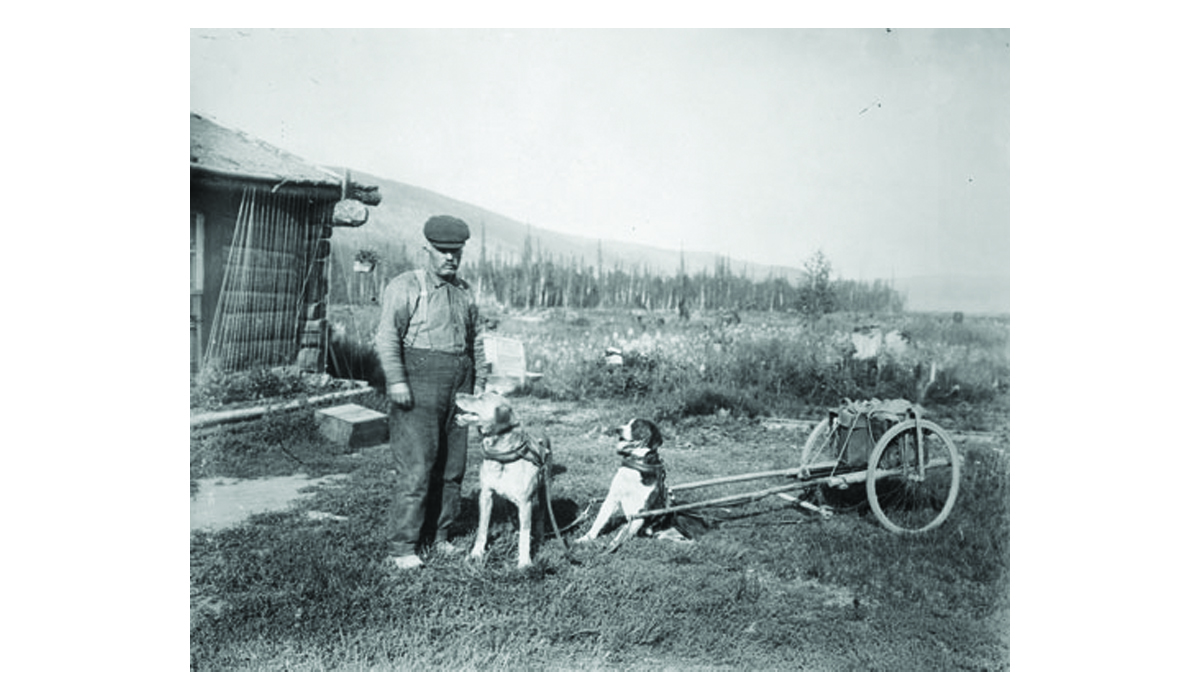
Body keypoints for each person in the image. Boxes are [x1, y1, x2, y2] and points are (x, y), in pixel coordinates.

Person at [375, 215, 486, 571]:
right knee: (417, 466)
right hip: (418, 381)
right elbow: (387, 337)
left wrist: (480, 383)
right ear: (427, 250)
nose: (451, 258)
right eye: (443, 251)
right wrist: (396, 381)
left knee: (453, 466)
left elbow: (477, 342)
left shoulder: (465, 292)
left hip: (460, 383)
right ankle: (403, 546)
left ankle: (439, 535)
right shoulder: (406, 286)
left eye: (457, 251)